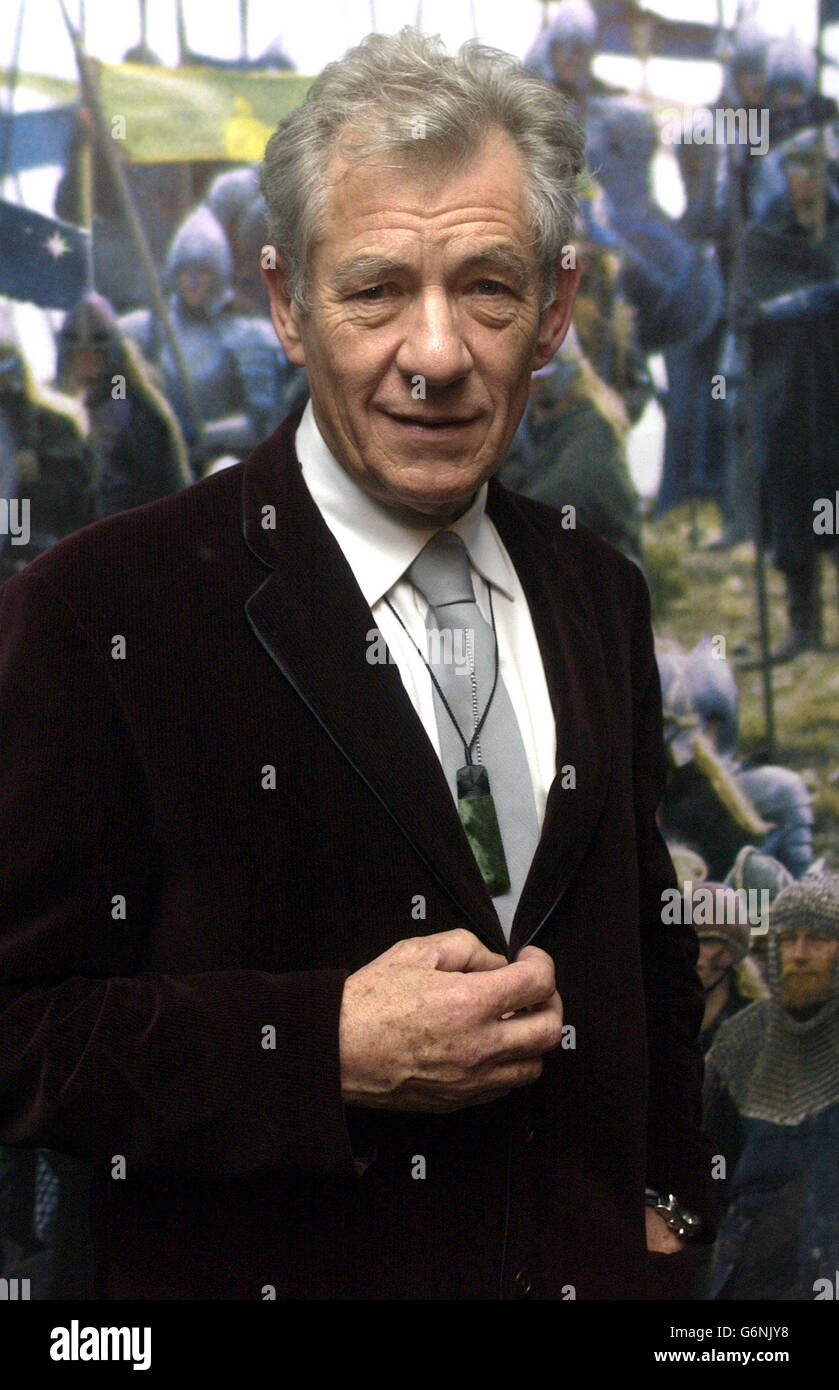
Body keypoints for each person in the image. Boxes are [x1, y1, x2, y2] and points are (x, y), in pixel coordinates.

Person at [0, 29, 713, 1301]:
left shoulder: (597, 589)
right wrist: (313, 1041)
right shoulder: (97, 613)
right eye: (376, 289)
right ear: (284, 302)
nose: (434, 355)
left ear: (555, 307)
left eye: (486, 289)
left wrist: (669, 1202)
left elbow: (646, 940)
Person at [704, 875, 839, 1299]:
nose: (799, 954)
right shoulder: (741, 1043)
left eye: (816, 939)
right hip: (749, 1266)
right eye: (787, 940)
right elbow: (708, 1163)